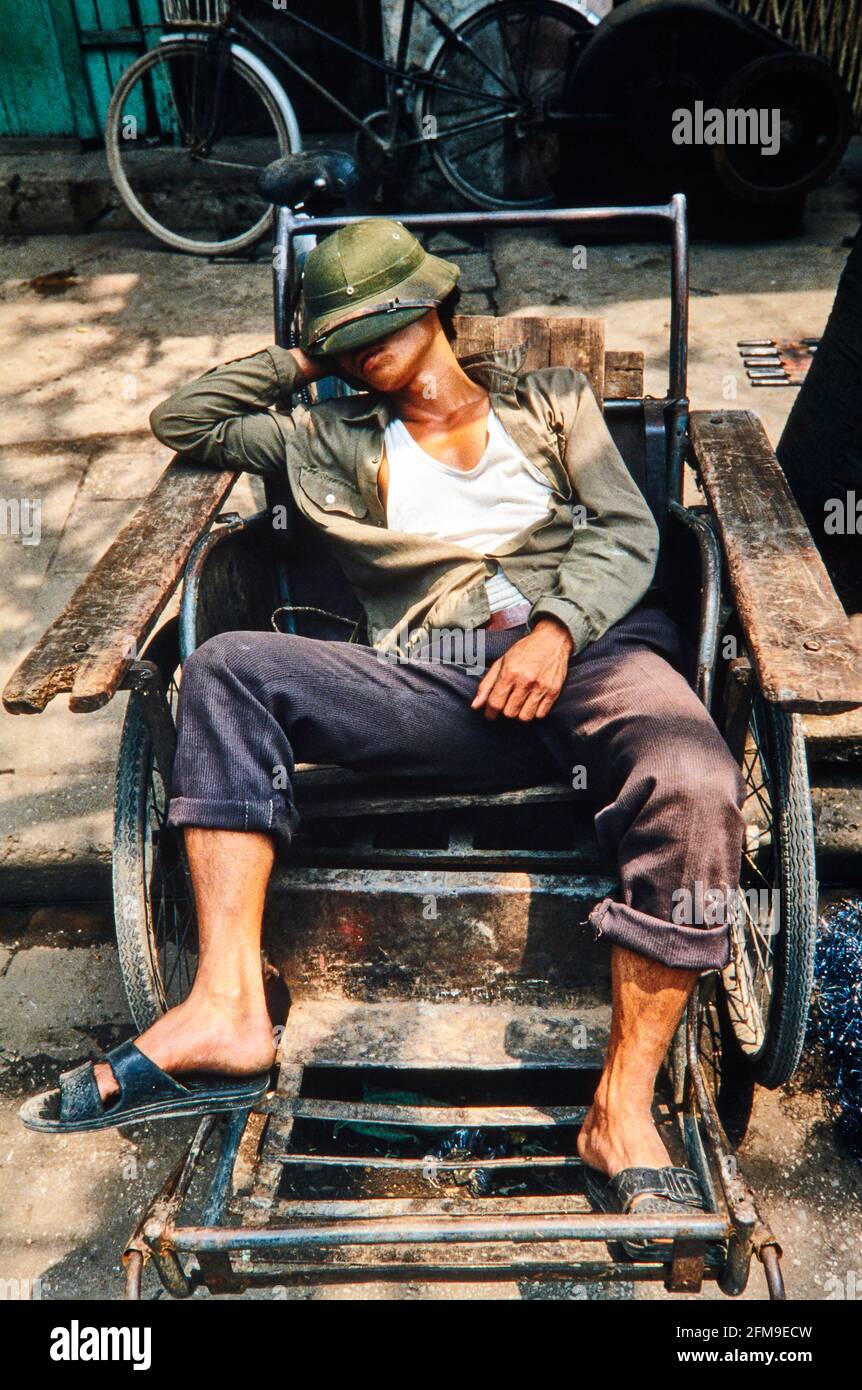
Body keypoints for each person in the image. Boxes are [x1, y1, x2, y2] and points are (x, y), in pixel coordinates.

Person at [22, 219, 744, 1248]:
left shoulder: (553, 401)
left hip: (593, 652)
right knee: (227, 666)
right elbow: (182, 417)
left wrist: (552, 629)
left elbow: (630, 528)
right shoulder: (325, 437)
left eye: (384, 318)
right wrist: (312, 350)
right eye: (345, 332)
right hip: (432, 679)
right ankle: (227, 1003)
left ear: (436, 305)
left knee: (690, 773)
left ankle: (618, 1111)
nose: (367, 344)